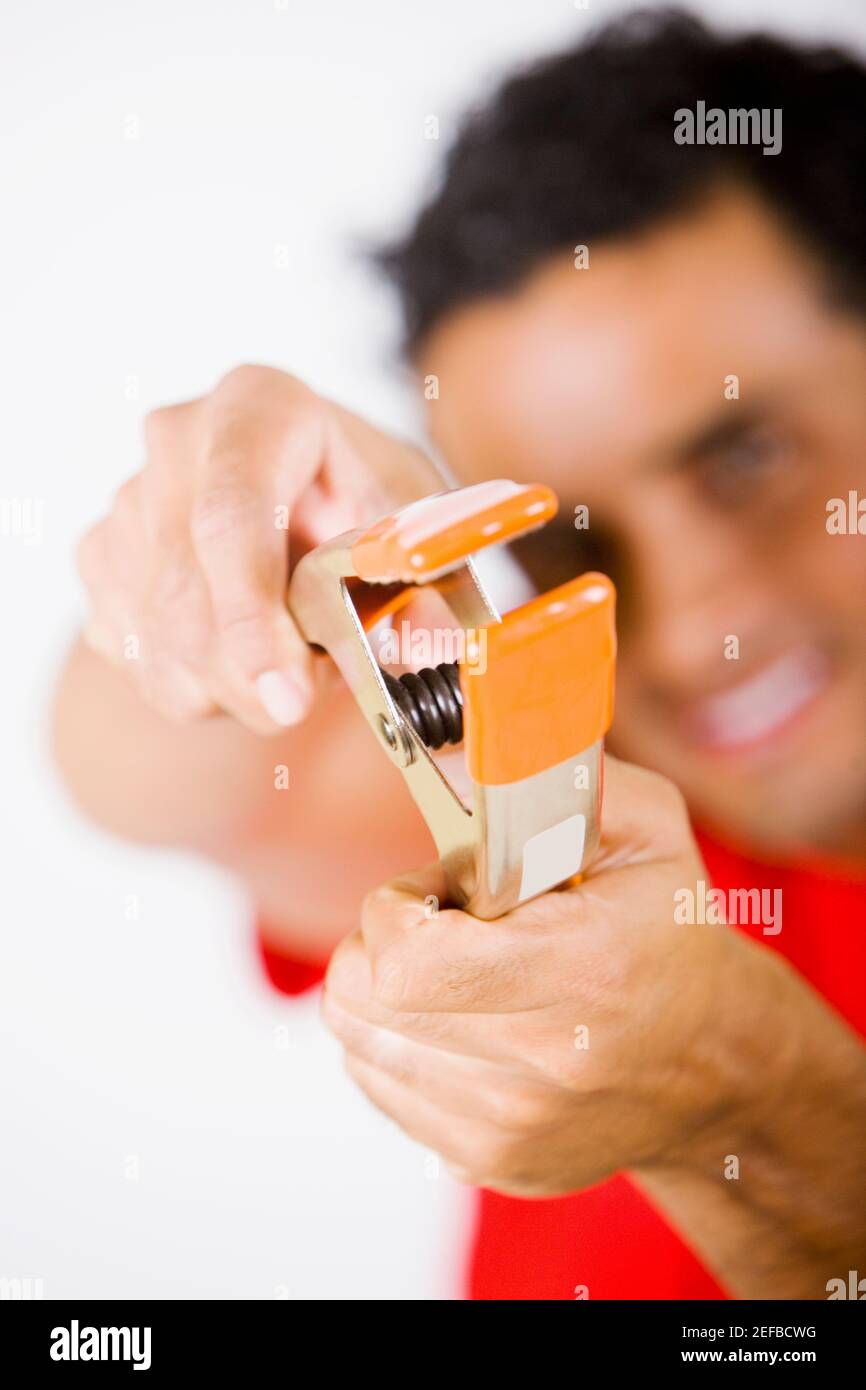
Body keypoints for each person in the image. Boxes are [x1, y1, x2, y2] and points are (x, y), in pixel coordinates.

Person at [54, 10, 866, 1299]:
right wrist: (220, 577)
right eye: (567, 539)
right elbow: (154, 778)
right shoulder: (599, 791)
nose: (691, 615)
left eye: (749, 457)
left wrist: (742, 1089)